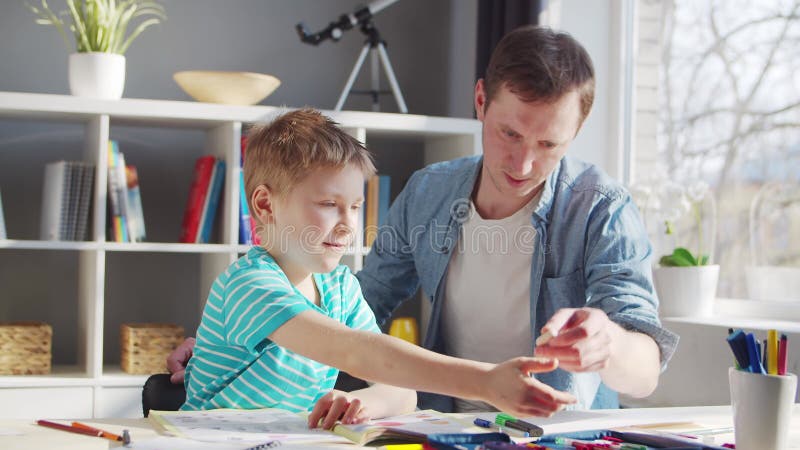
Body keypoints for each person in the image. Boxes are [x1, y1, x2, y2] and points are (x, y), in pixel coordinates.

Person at [171, 25, 678, 415]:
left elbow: (647, 374)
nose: (523, 164)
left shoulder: (602, 206)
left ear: (578, 128)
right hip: (450, 423)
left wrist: (609, 345)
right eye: (509, 134)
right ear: (480, 102)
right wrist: (236, 339)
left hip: (554, 432)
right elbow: (355, 333)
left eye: (549, 145)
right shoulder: (431, 191)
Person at [180, 107, 575, 430]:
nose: (349, 224)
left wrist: (362, 401)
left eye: (354, 206)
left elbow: (402, 391)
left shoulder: (339, 289)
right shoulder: (248, 285)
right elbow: (354, 351)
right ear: (266, 206)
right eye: (327, 204)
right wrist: (485, 381)